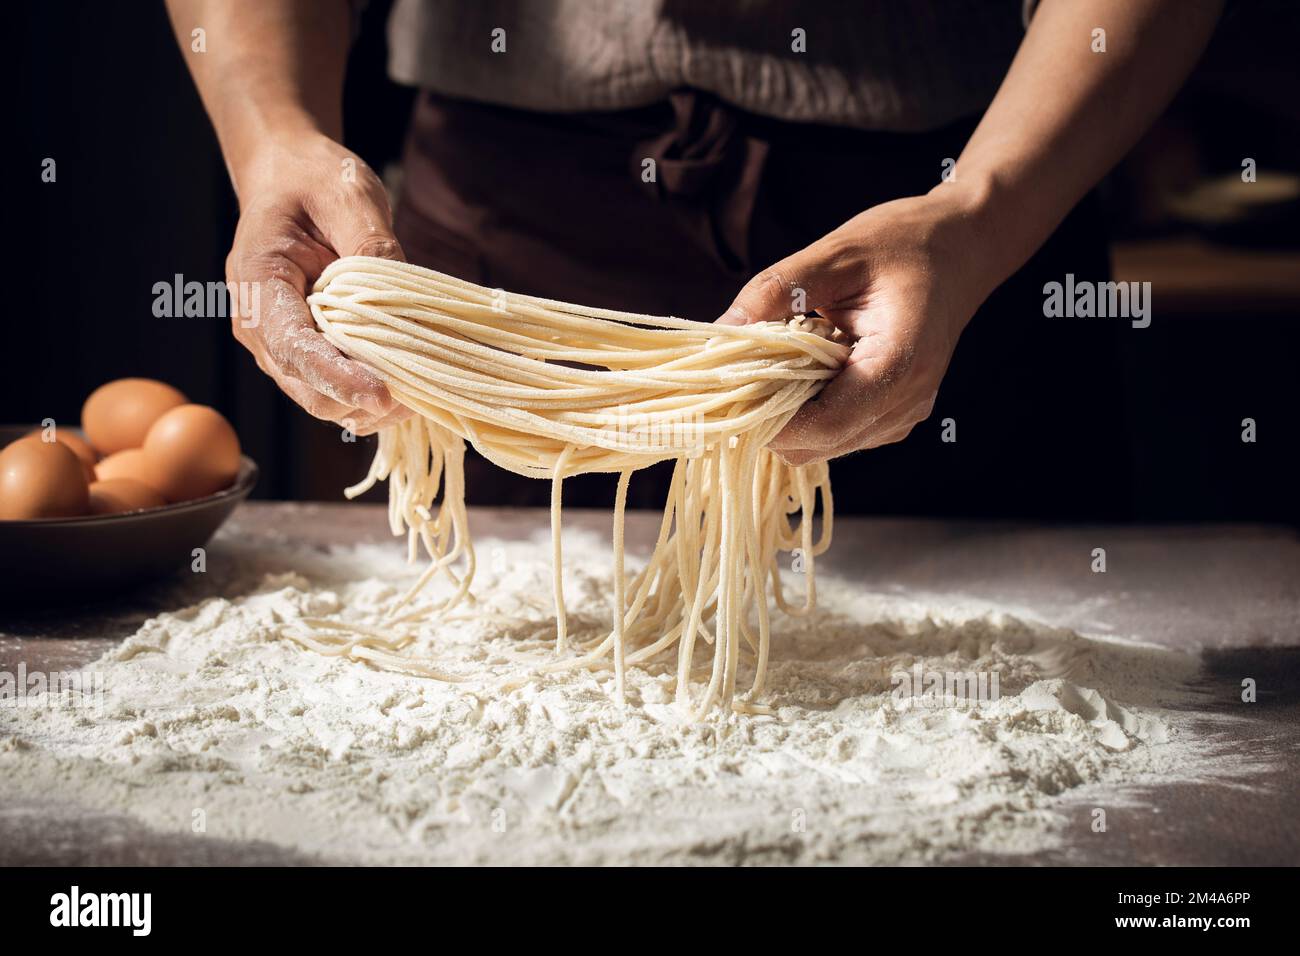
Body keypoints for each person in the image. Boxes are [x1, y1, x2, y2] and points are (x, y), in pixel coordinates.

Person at [166, 0, 1223, 517]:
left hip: (949, 219)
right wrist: (273, 135)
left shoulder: (969, 219)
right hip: (490, 266)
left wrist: (982, 211)